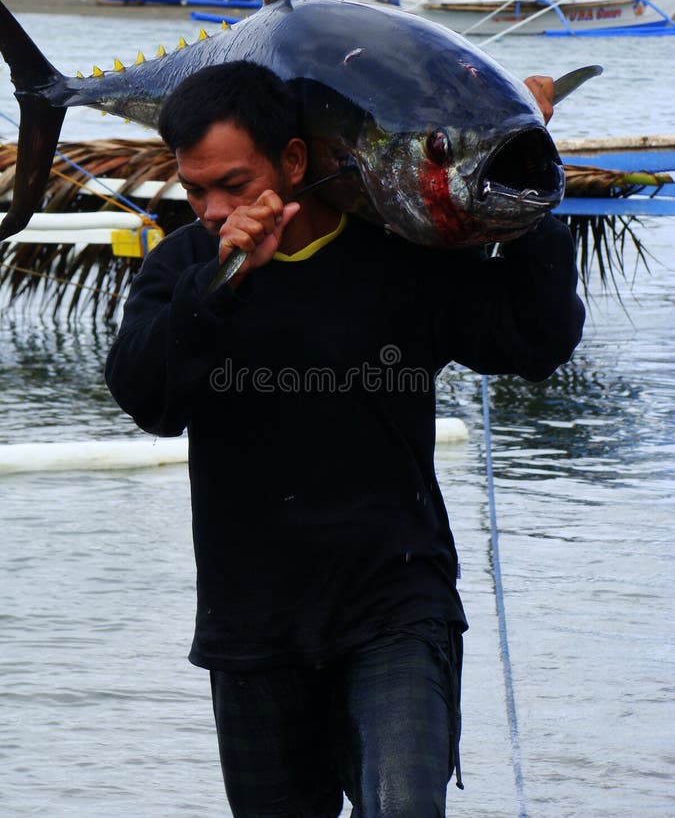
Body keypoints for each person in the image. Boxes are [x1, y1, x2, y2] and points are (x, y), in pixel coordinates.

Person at [105, 60, 584, 817]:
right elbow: (148, 401)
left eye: (233, 184)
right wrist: (224, 281)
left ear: (294, 161)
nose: (211, 207)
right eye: (195, 189)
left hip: (394, 605)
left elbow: (534, 342)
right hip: (250, 624)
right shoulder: (186, 267)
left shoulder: (401, 251)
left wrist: (526, 168)